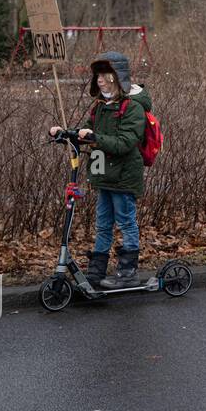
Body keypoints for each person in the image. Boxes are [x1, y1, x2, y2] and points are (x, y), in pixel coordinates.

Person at [50, 51, 150, 289]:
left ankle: (128, 273)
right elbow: (86, 131)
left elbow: (125, 142)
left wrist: (95, 138)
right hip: (103, 174)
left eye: (105, 75)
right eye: (98, 76)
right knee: (103, 224)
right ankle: (97, 273)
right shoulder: (100, 107)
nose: (100, 80)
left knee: (126, 222)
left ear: (117, 77)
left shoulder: (133, 107)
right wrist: (64, 133)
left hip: (124, 176)